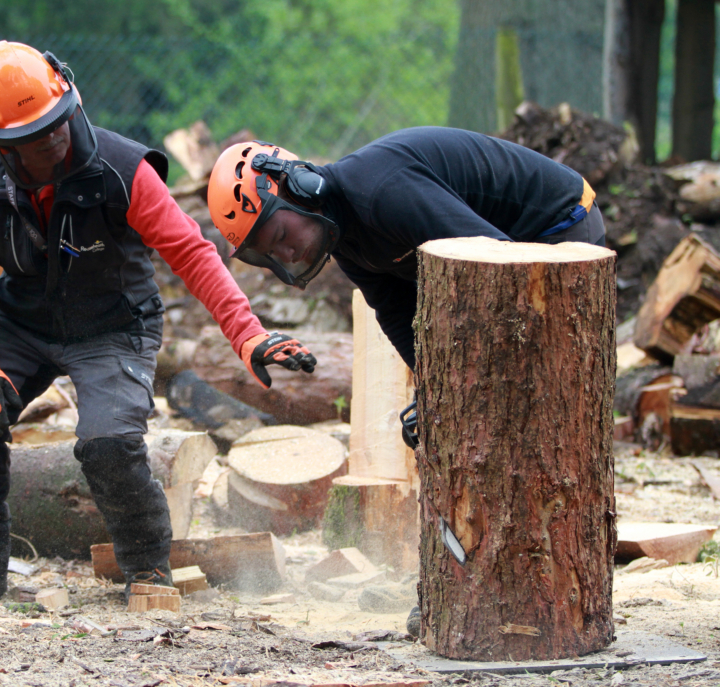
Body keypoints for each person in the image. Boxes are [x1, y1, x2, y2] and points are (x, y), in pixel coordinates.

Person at [0, 41, 317, 600]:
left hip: (114, 324)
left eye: (57, 128)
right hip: (21, 324)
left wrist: (247, 334)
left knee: (108, 442)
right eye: (32, 144)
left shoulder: (123, 169)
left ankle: (145, 566)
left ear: (70, 103)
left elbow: (192, 253)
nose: (52, 147)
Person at [208, 127, 605, 638]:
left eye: (282, 237)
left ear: (299, 185)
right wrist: (435, 393)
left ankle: (537, 593)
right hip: (508, 248)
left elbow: (496, 267)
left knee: (521, 411)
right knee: (459, 422)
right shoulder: (346, 233)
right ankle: (476, 589)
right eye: (273, 254)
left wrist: (462, 395)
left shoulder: (381, 193)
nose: (287, 253)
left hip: (558, 227)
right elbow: (398, 313)